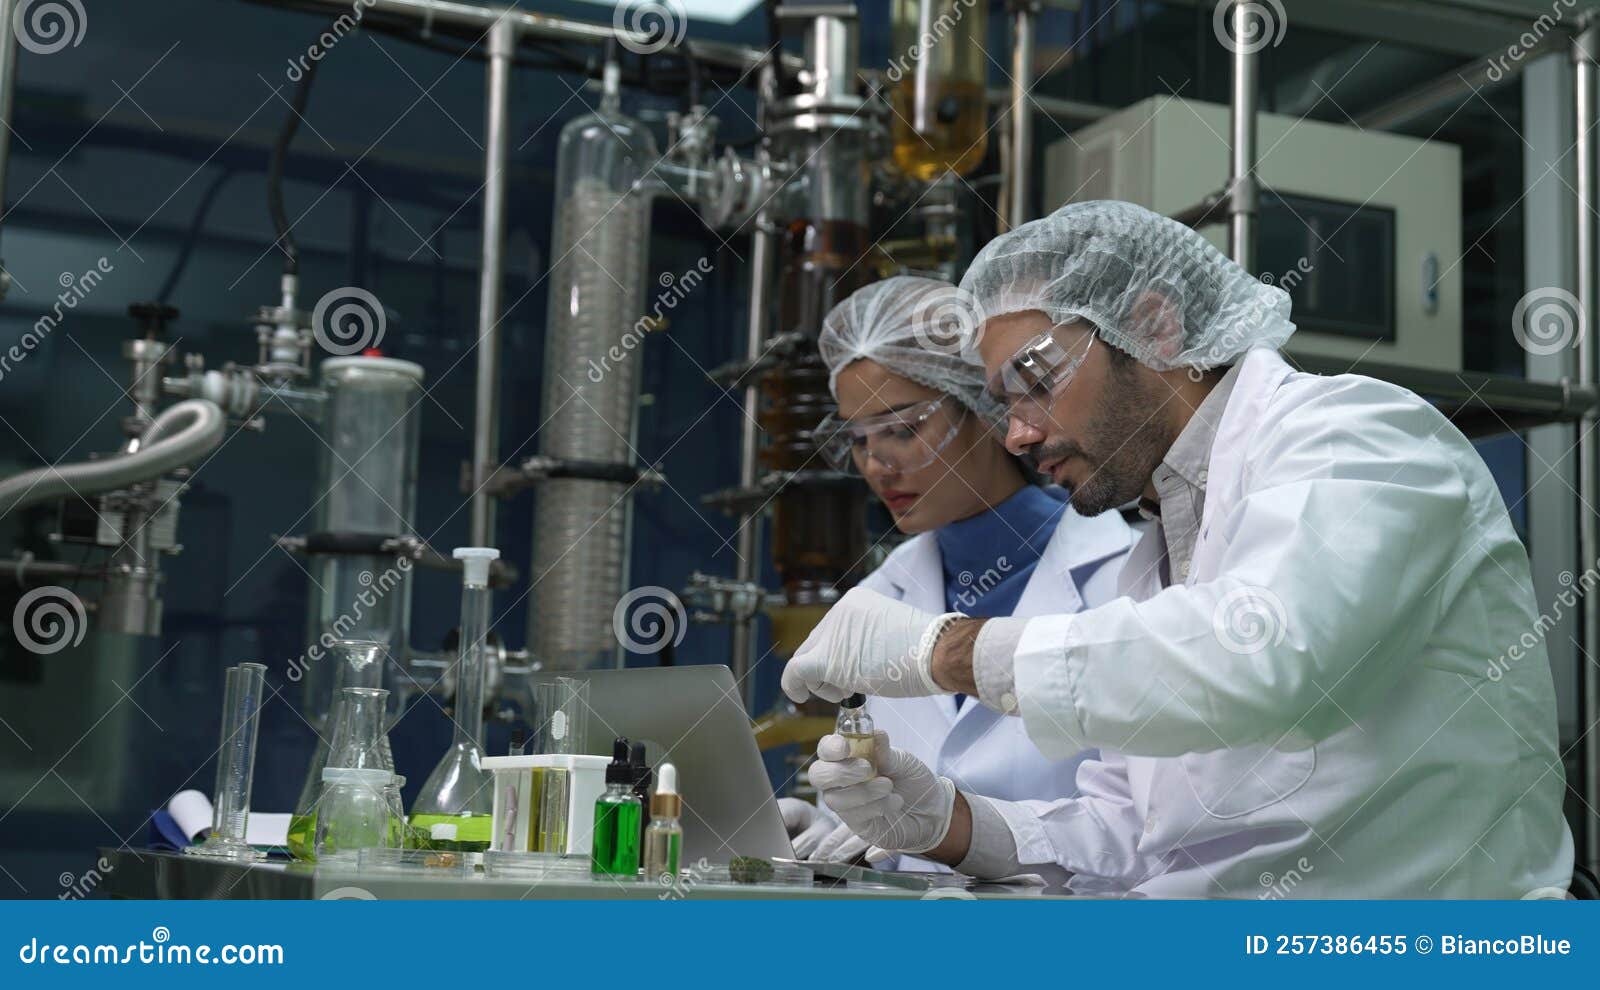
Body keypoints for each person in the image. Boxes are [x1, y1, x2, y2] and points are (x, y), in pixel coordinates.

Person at [784, 202, 1574, 897]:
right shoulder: (1161, 548)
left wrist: (946, 652)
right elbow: (1130, 831)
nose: (1020, 434)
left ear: (1156, 327)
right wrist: (944, 822)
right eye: (1003, 404)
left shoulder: (1356, 436)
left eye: (1037, 381)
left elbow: (1258, 655)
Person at [778, 275, 1138, 877]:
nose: (876, 465)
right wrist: (844, 840)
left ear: (987, 408)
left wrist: (955, 833)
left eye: (901, 429)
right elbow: (889, 800)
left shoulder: (1128, 577)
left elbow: (1146, 827)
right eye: (856, 440)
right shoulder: (876, 599)